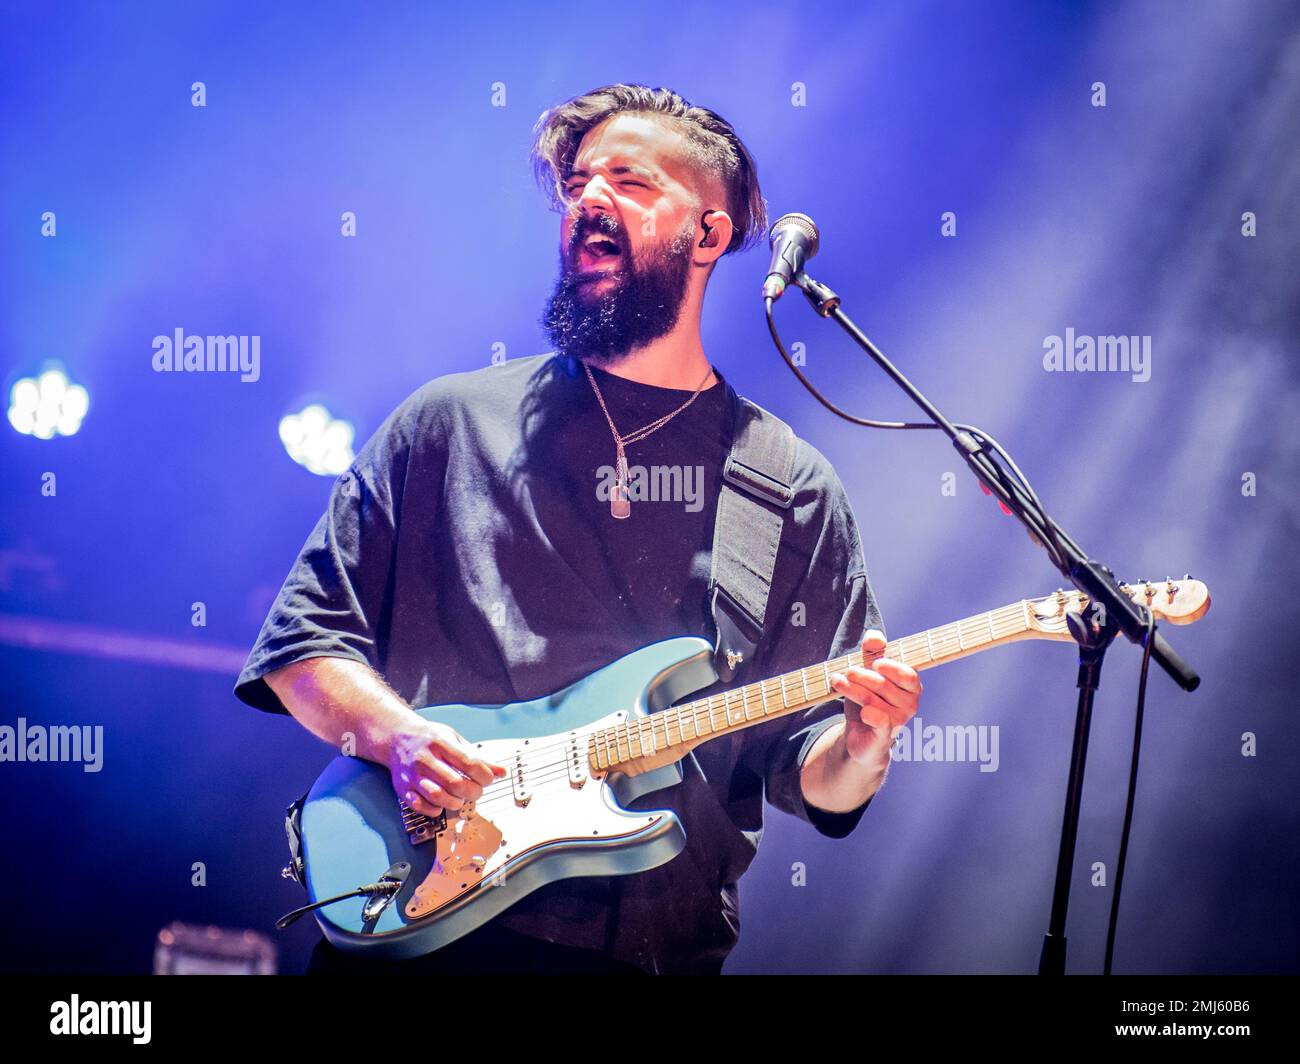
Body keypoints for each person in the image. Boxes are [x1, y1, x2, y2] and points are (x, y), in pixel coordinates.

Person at [235, 83, 922, 975]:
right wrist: (399, 738)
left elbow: (807, 771)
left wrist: (865, 747)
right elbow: (301, 646)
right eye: (576, 184)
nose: (587, 199)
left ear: (709, 234)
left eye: (630, 182)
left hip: (645, 954)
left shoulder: (787, 485)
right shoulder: (449, 424)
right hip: (419, 918)